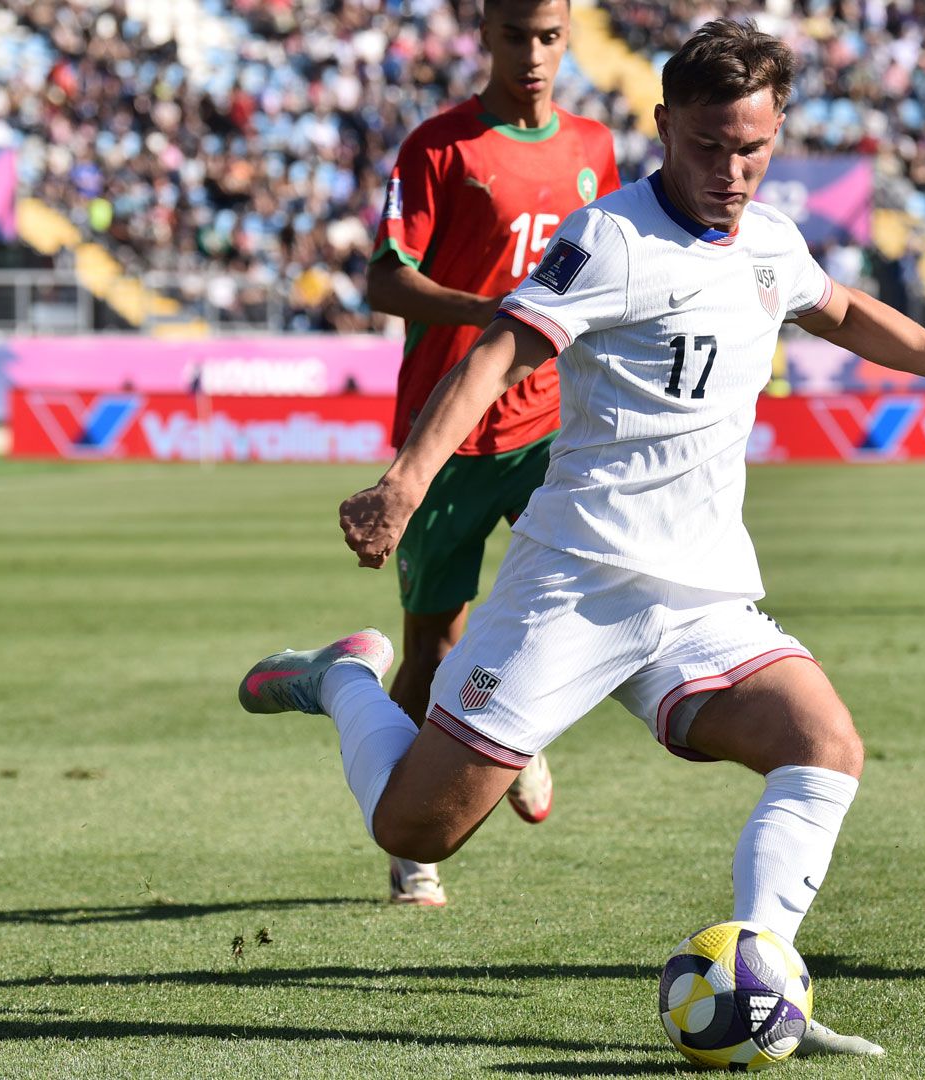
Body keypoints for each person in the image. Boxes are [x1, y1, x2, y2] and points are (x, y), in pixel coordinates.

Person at [239, 19, 925, 1056]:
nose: (731, 169)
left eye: (752, 147)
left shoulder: (769, 239)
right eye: (709, 146)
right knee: (415, 830)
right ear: (666, 126)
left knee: (825, 746)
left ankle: (766, 977)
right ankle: (345, 676)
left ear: (778, 130)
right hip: (573, 586)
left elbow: (841, 310)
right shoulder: (609, 239)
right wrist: (402, 485)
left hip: (699, 598)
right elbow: (494, 355)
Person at [362, 0, 620, 907]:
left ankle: (517, 725)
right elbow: (383, 276)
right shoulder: (439, 147)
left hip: (552, 425)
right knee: (432, 644)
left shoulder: (594, 146)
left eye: (551, 36)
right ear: (486, 35)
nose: (536, 54)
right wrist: (492, 315)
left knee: (571, 597)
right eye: (518, 35)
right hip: (451, 431)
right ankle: (410, 840)